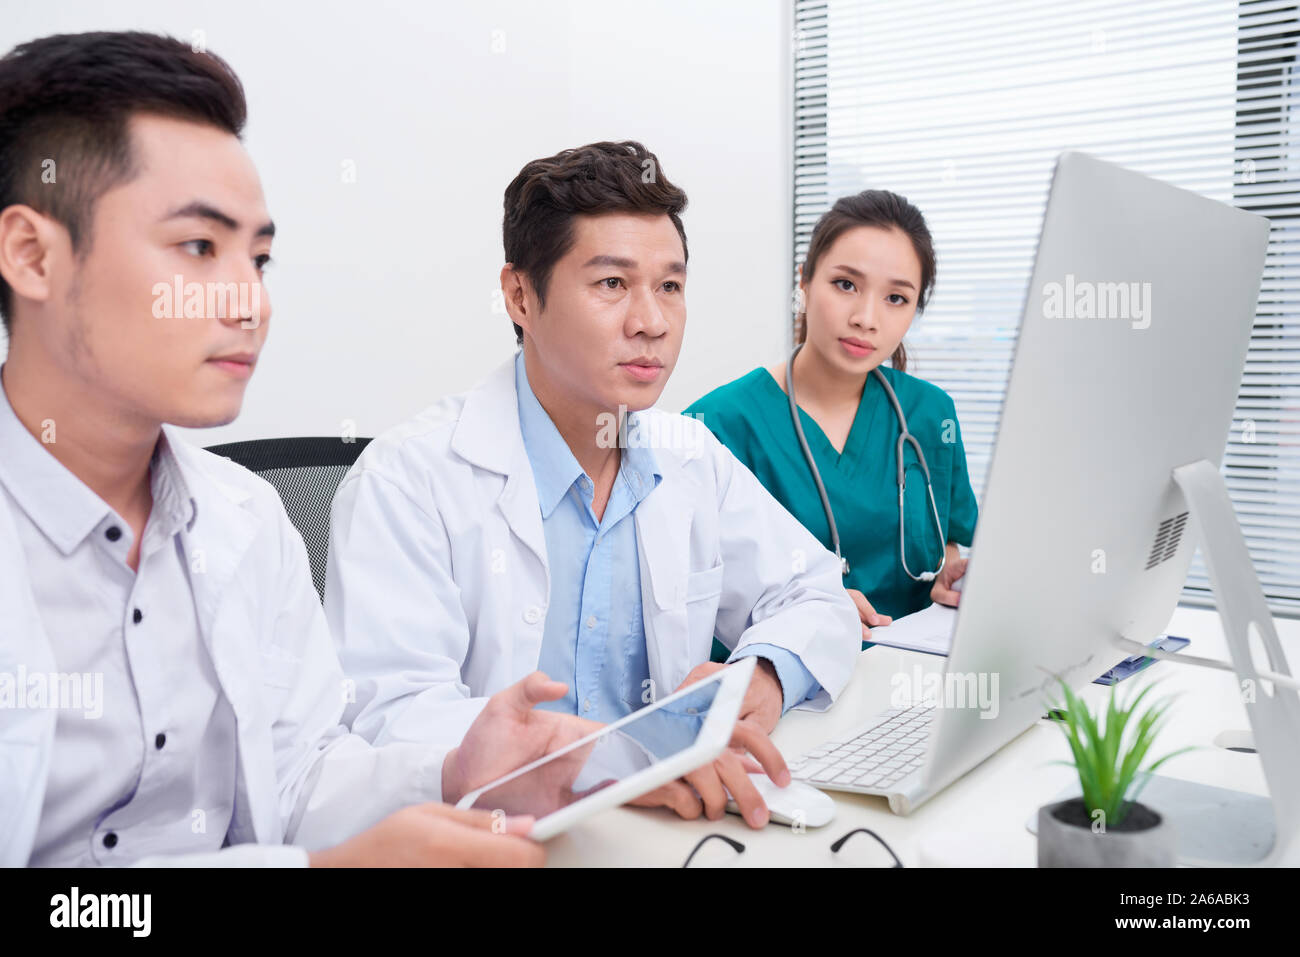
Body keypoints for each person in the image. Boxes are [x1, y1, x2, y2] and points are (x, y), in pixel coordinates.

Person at [0, 30, 647, 868]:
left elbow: (298, 778)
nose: (252, 302)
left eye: (259, 257)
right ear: (32, 254)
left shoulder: (243, 518)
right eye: (200, 247)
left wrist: (452, 770)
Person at [325, 141, 861, 829]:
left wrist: (761, 676)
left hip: (663, 832)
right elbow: (391, 724)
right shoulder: (408, 480)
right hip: (500, 843)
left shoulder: (688, 455)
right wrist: (613, 760)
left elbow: (815, 589)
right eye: (612, 284)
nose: (652, 321)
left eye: (670, 285)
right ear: (520, 295)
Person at [686, 190, 978, 645]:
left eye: (896, 298)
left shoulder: (930, 413)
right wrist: (810, 611)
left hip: (911, 671)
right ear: (804, 282)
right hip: (784, 685)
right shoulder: (718, 426)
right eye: (845, 285)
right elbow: (688, 600)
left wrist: (948, 577)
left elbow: (947, 545)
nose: (866, 318)